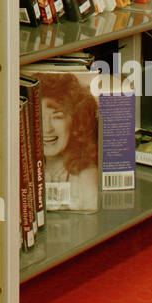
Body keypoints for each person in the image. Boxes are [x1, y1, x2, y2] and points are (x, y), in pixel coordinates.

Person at [40, 73, 100, 212]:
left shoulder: (86, 177)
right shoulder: (21, 174)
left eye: (57, 117)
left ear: (75, 121)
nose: (47, 129)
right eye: (39, 117)